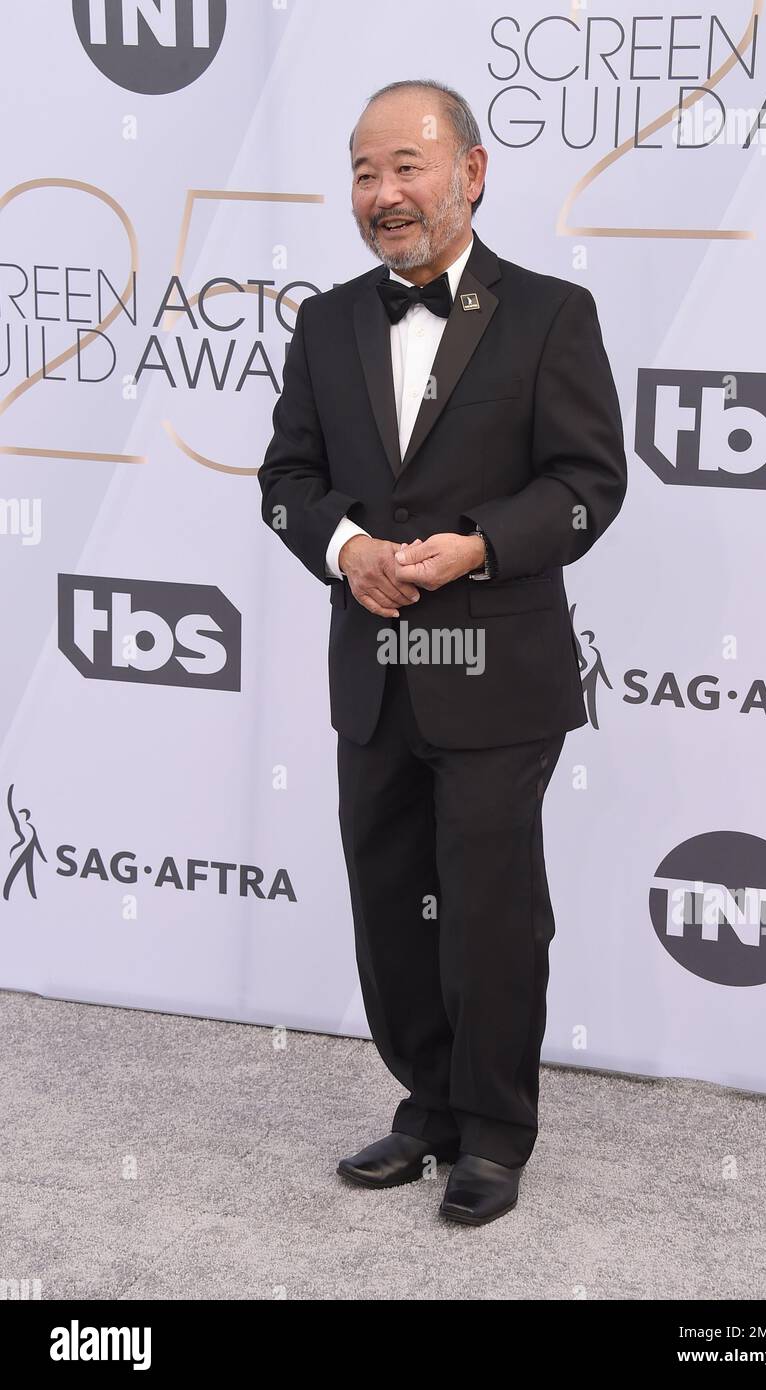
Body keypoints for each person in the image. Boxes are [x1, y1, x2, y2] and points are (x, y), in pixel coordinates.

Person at [258, 78, 627, 1226]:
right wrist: (348, 546)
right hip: (371, 673)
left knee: (488, 905)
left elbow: (588, 484)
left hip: (498, 675)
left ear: (471, 172)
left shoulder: (551, 314)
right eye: (365, 171)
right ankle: (427, 1101)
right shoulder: (323, 323)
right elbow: (286, 484)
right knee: (390, 897)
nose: (384, 194)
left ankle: (496, 1129)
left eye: (408, 166)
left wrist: (475, 547)